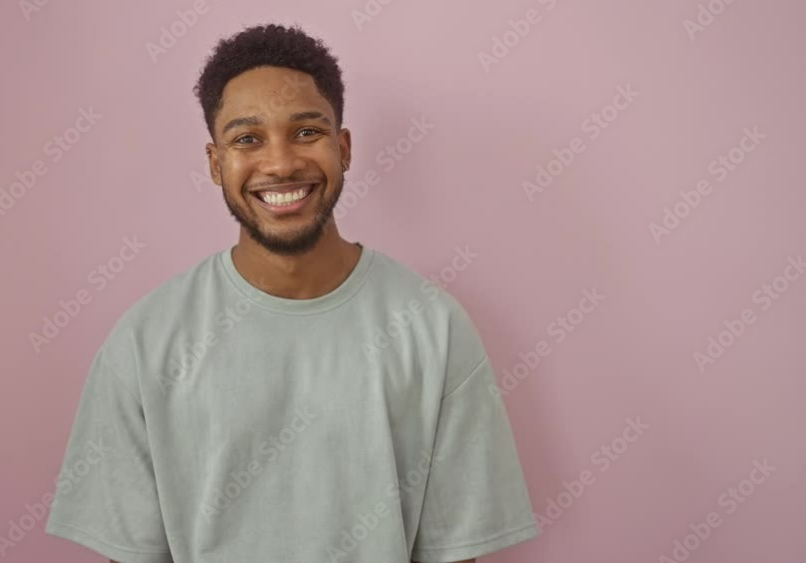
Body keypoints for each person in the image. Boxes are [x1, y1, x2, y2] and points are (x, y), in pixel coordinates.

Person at [45, 22, 539, 563]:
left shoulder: (435, 328)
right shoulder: (146, 341)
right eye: (247, 139)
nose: (280, 163)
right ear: (216, 164)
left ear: (344, 148)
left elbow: (457, 550)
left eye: (306, 131)